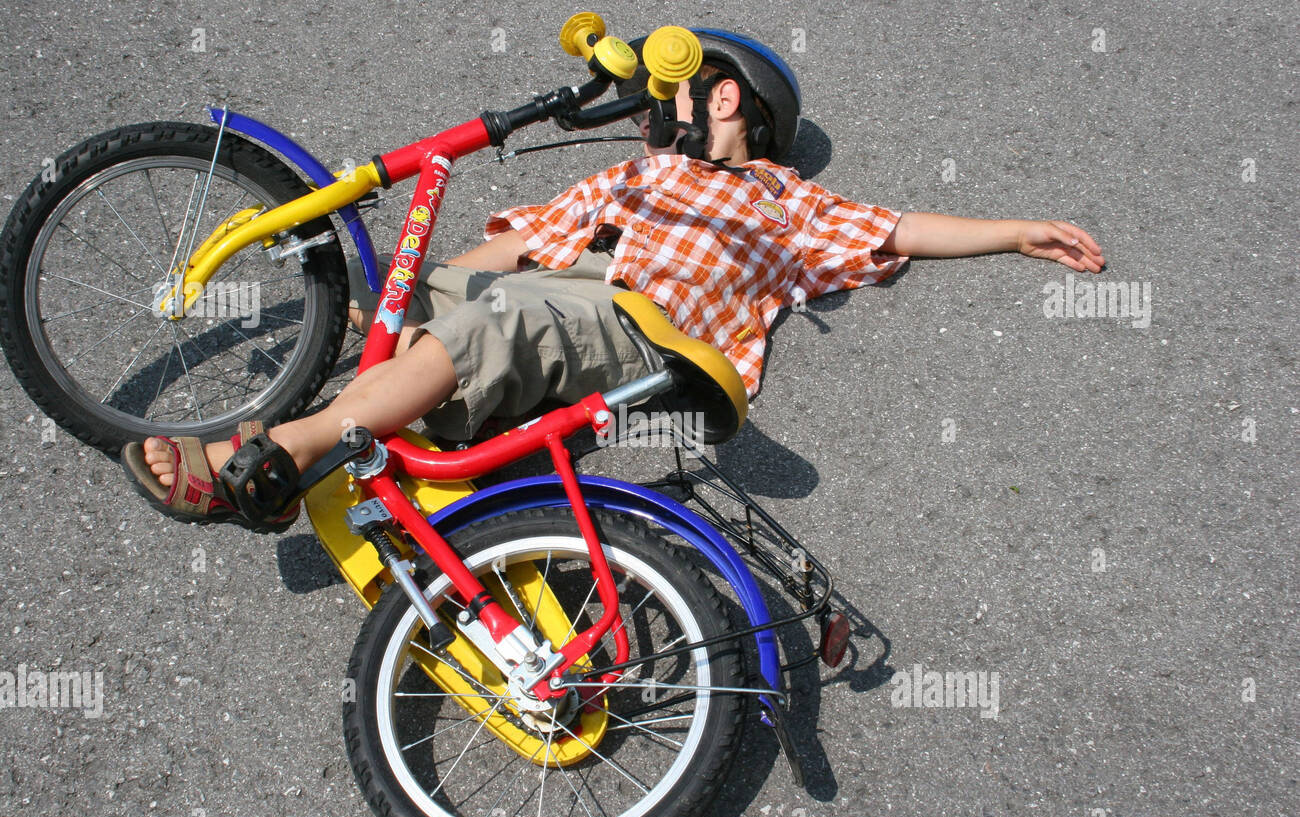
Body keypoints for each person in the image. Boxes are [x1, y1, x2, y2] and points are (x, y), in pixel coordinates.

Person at [122, 29, 1103, 529]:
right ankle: (295, 458)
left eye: (662, 96)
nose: (642, 111)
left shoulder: (779, 194)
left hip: (638, 329)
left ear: (724, 96)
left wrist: (1017, 231)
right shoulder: (624, 177)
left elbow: (899, 226)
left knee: (506, 321)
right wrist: (402, 308)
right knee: (444, 312)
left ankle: (268, 461)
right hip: (549, 297)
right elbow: (510, 249)